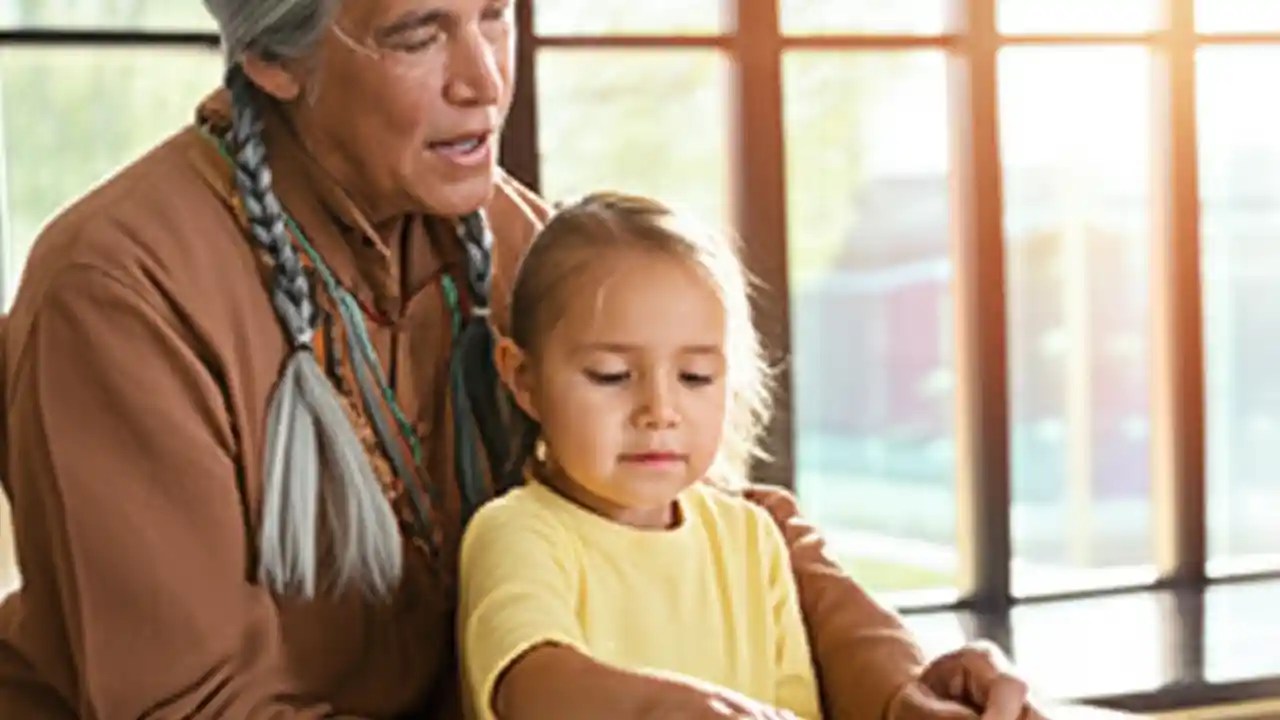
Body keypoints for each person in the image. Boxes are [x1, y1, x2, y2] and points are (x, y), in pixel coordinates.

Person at [0, 0, 1039, 718]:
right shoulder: (119, 291)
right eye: (419, 34)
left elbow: (698, 512)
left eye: (494, 14)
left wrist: (894, 682)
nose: (485, 79)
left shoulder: (502, 233)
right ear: (277, 61)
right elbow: (192, 709)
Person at [458, 192, 821, 719]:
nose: (659, 410)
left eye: (694, 377)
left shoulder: (753, 539)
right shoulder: (517, 533)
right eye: (612, 375)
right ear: (524, 379)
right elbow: (530, 687)